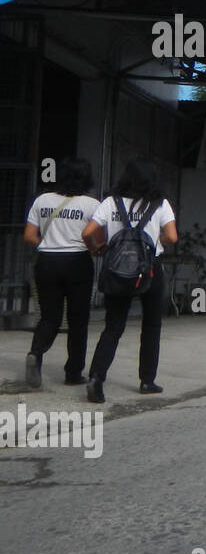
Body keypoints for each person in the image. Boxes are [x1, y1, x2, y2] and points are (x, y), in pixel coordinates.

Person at [82, 159, 179, 403]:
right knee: (151, 326)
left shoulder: (110, 202)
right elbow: (172, 236)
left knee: (113, 326)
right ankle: (147, 381)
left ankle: (96, 377)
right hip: (150, 268)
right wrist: (154, 245)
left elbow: (87, 233)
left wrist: (96, 248)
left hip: (117, 268)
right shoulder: (160, 204)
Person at [23, 158, 100, 389]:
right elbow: (97, 238)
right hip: (77, 263)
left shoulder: (42, 200)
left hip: (46, 262)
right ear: (87, 179)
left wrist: (49, 247)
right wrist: (95, 249)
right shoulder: (92, 204)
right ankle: (73, 373)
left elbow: (29, 236)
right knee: (78, 321)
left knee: (49, 317)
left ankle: (35, 354)